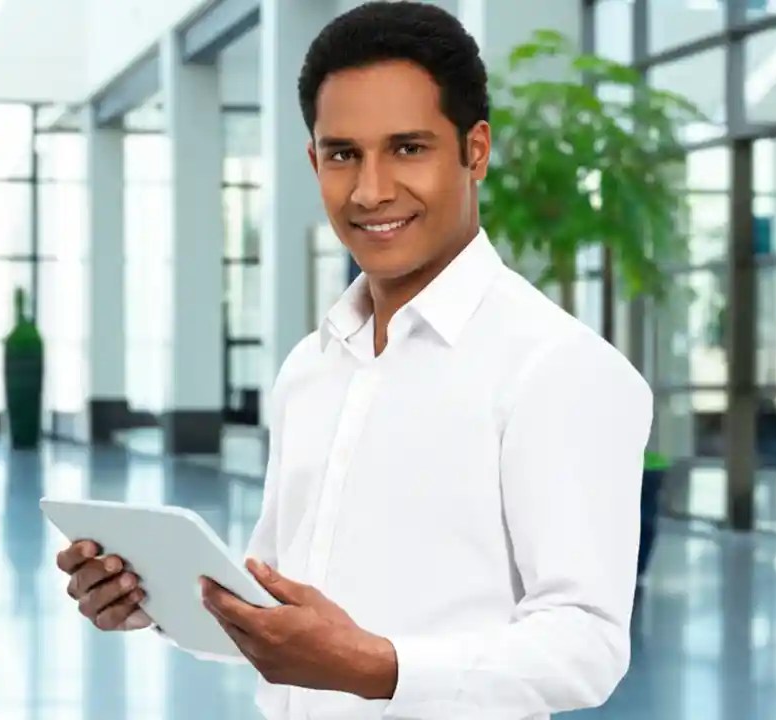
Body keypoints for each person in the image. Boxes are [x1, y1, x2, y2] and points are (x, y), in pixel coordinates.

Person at [55, 3, 653, 718]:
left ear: (476, 151)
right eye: (343, 154)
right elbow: (278, 615)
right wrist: (151, 599)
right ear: (314, 162)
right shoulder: (310, 369)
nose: (370, 191)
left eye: (408, 148)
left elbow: (585, 646)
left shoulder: (558, 369)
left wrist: (376, 666)